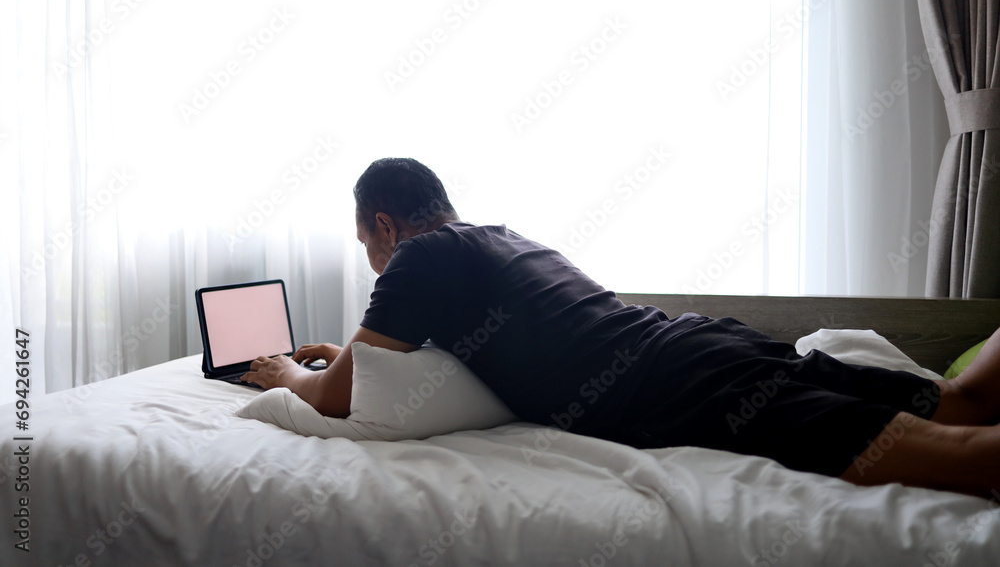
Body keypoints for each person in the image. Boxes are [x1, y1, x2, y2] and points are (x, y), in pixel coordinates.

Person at [243, 157, 1000, 499]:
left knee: (966, 458)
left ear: (384, 225)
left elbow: (340, 396)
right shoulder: (503, 237)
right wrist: (338, 347)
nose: (375, 269)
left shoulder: (419, 260)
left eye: (368, 249)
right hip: (703, 345)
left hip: (686, 386)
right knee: (960, 402)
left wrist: (288, 375)